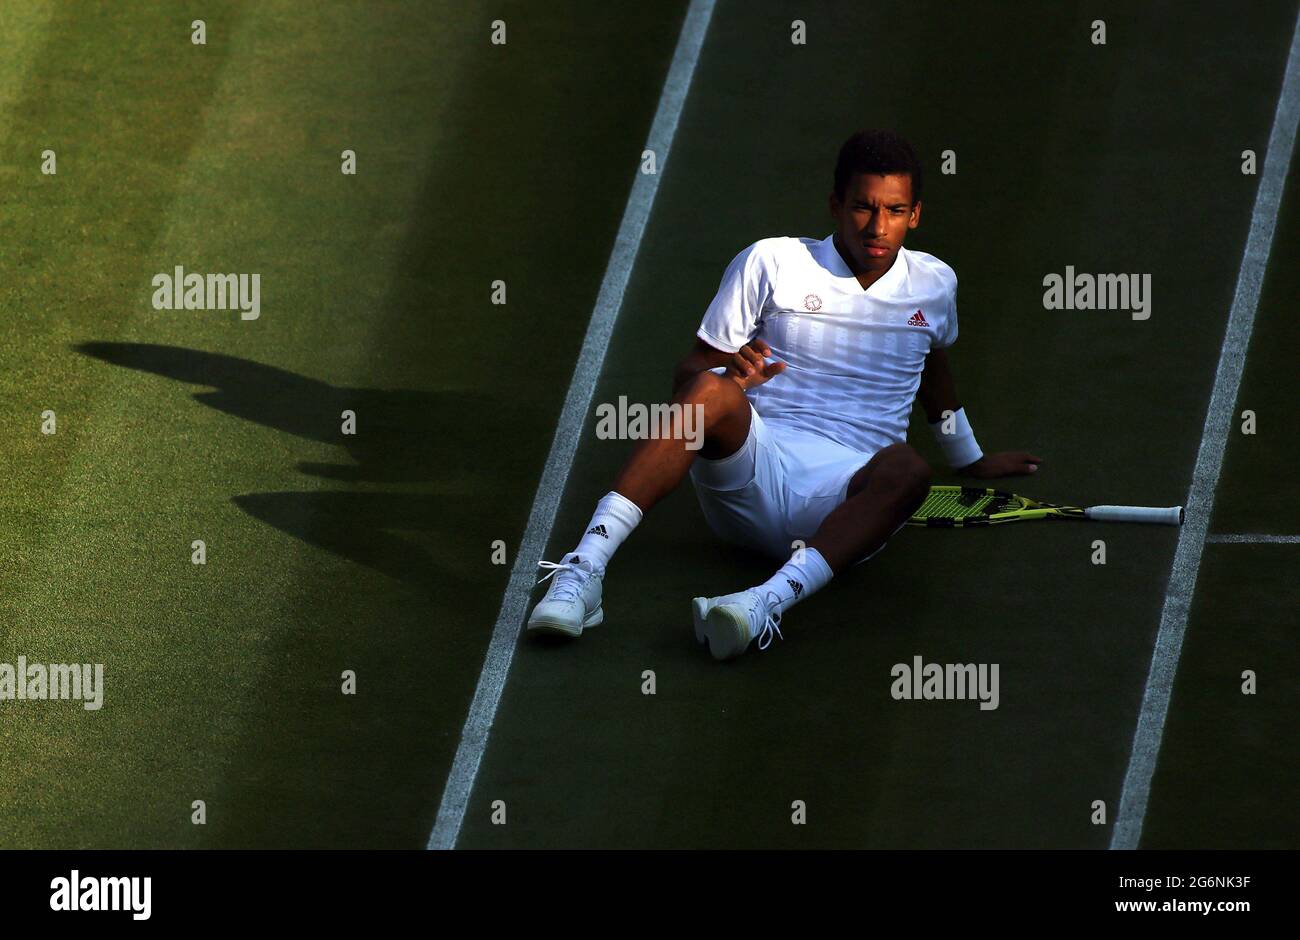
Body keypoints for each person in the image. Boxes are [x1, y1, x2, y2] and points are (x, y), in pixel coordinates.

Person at [527, 129, 1041, 660]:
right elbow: (688, 379)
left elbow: (933, 367)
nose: (877, 226)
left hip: (847, 501)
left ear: (915, 215)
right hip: (753, 471)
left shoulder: (936, 284)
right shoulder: (771, 262)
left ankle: (760, 604)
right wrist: (730, 368)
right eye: (862, 207)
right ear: (836, 205)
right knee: (709, 390)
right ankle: (584, 570)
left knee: (909, 469)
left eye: (894, 210)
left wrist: (969, 457)